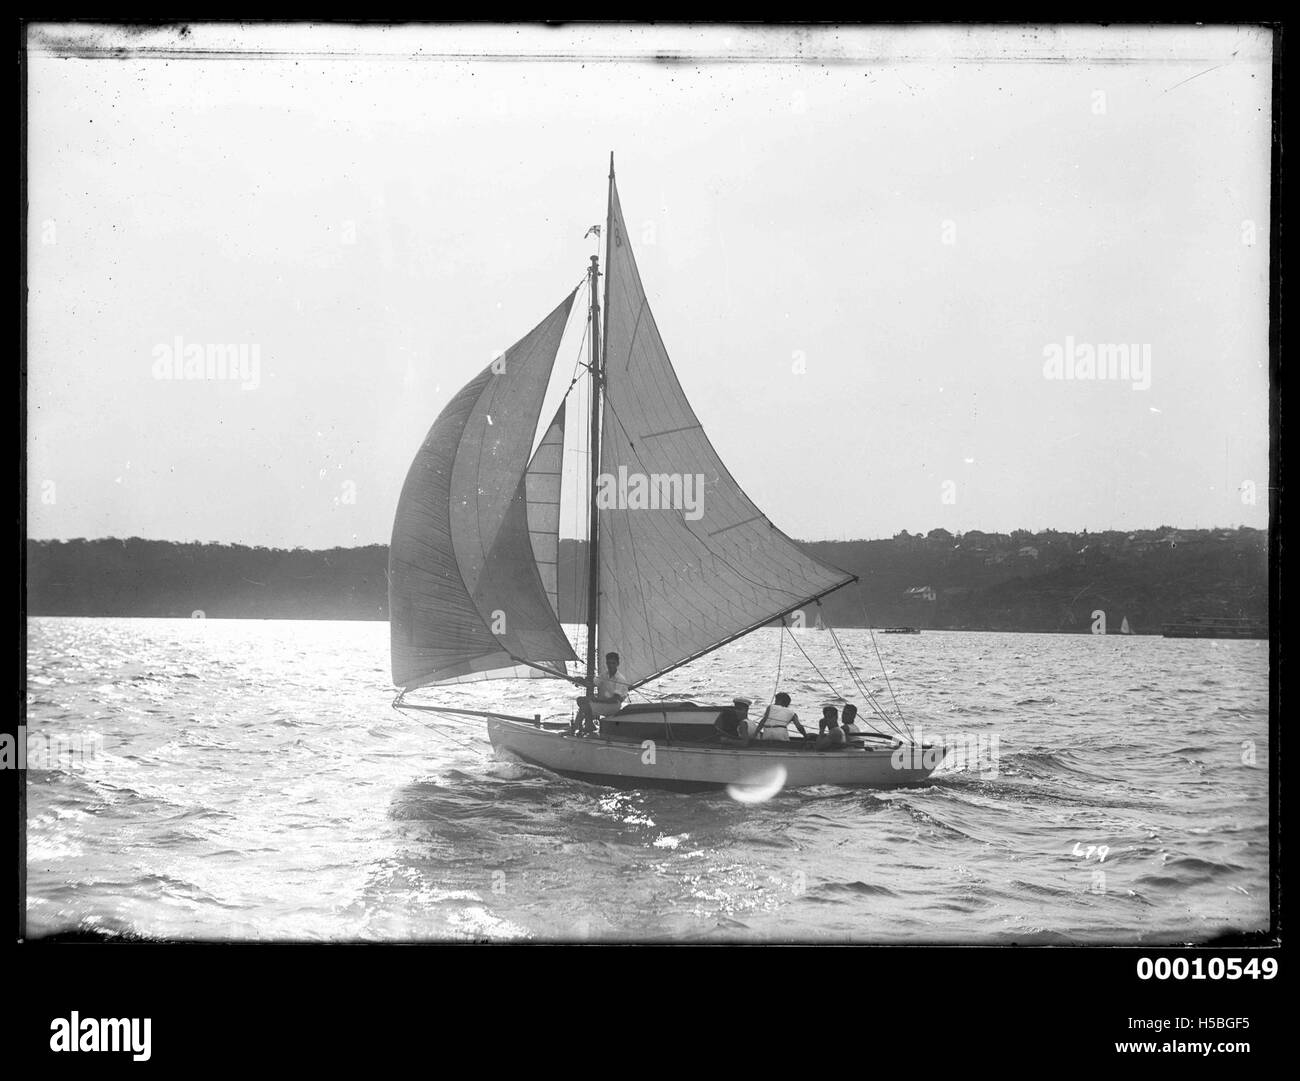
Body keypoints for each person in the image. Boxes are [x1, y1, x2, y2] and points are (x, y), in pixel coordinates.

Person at [573, 652, 630, 735]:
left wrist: (596, 700)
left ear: (617, 664)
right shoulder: (604, 675)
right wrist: (581, 680)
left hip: (613, 706)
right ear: (606, 663)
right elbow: (591, 684)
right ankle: (588, 724)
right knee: (580, 700)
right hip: (604, 703)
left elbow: (614, 699)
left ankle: (575, 728)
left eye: (613, 663)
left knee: (586, 705)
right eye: (608, 663)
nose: (610, 665)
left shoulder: (620, 679)